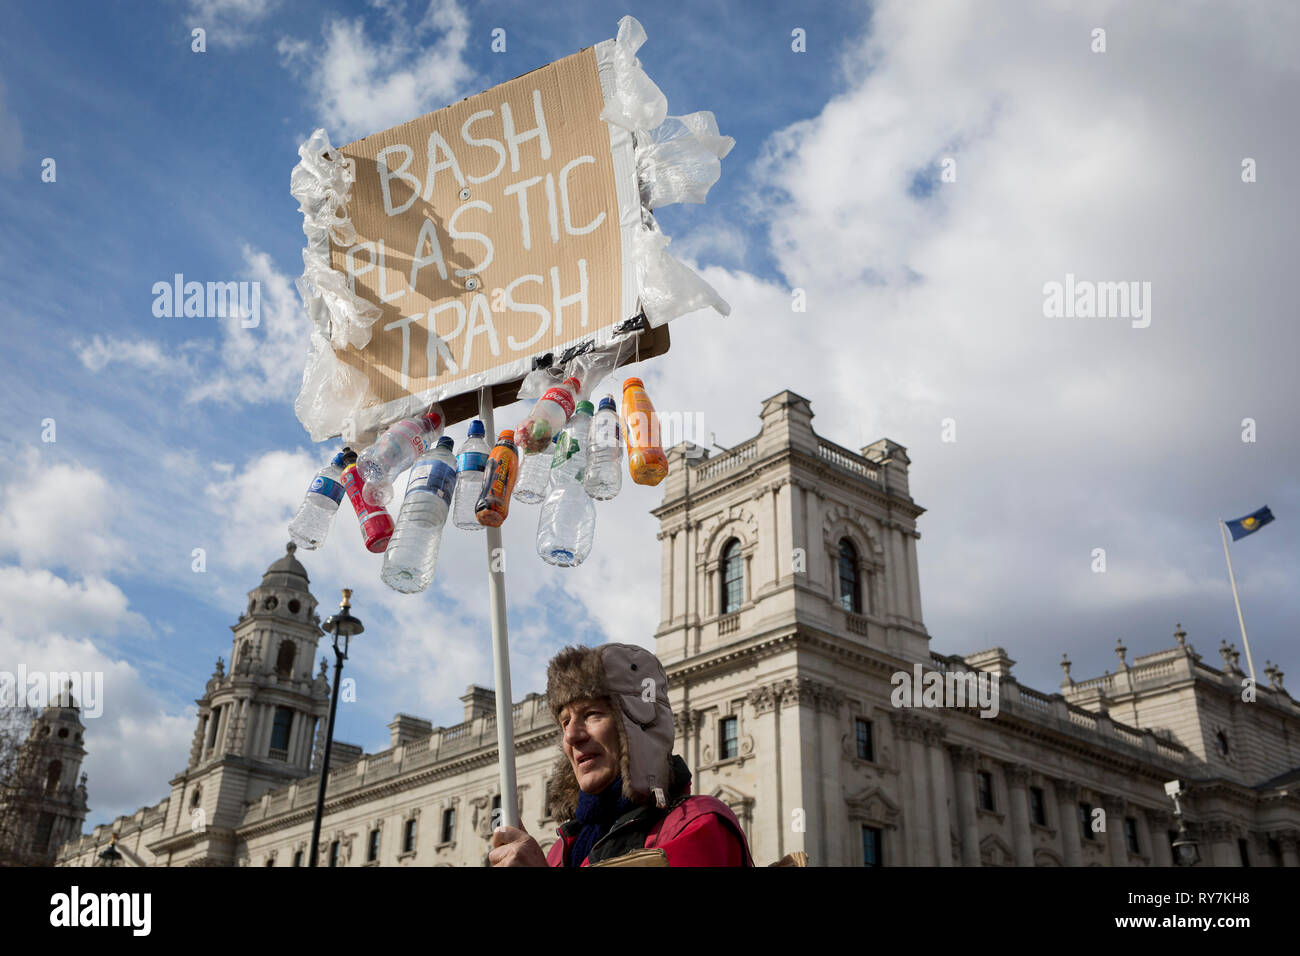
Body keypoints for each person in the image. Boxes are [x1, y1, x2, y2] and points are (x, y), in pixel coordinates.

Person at [489, 643, 755, 867]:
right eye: (565, 722)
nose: (572, 735)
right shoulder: (561, 850)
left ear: (638, 726)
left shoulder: (699, 823)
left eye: (592, 714)